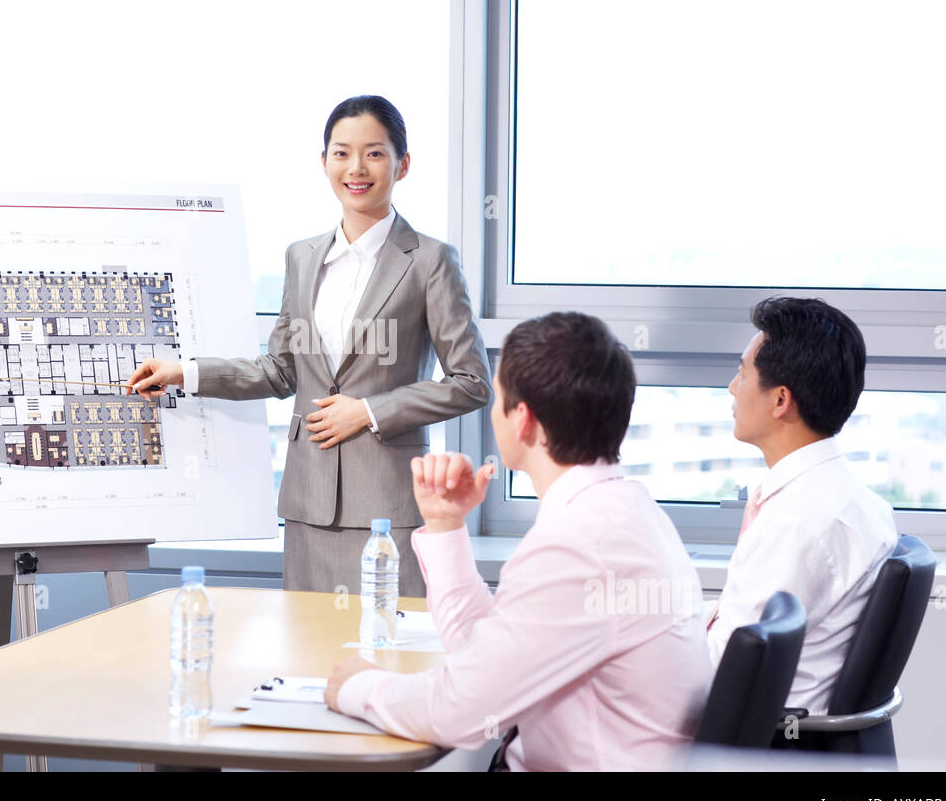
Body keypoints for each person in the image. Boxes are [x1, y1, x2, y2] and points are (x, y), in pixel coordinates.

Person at [126, 95, 489, 596]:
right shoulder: (302, 258)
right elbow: (280, 370)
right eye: (341, 153)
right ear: (324, 163)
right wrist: (184, 373)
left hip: (389, 502)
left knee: (393, 651)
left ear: (402, 165)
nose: (356, 168)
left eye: (375, 153)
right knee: (308, 659)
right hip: (309, 502)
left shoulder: (430, 260)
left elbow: (471, 384)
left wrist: (368, 410)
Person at [324, 312, 711, 771]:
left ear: (522, 419)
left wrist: (357, 686)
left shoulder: (578, 546)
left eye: (498, 399)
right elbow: (485, 657)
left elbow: (457, 711)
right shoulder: (628, 513)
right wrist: (446, 524)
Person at [709, 296, 897, 714]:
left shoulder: (798, 523)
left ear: (780, 400)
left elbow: (725, 668)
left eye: (742, 374)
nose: (731, 388)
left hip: (763, 740)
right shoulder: (850, 498)